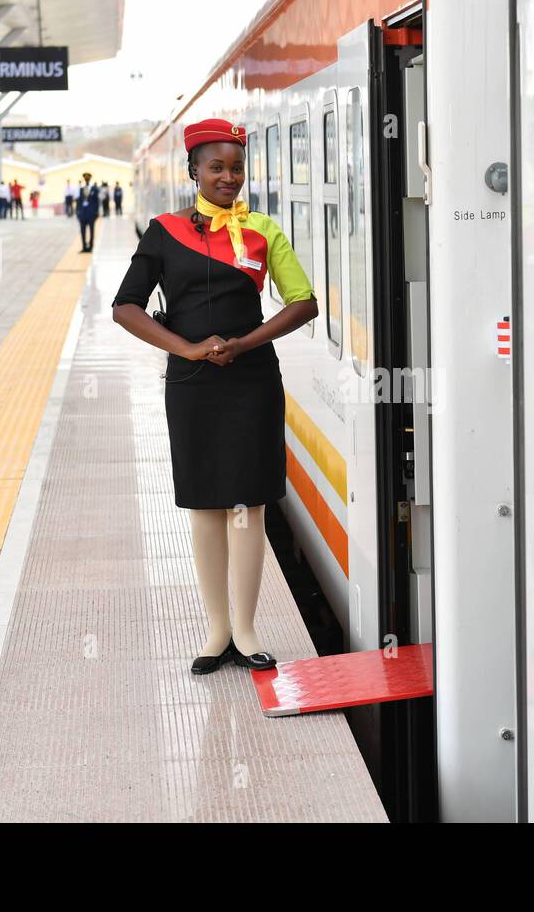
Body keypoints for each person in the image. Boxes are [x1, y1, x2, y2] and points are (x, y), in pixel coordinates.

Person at [111, 117, 318, 675]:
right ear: (194, 171)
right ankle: (216, 631)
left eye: (236, 167)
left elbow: (303, 302)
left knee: (248, 504)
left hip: (251, 382)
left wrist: (243, 343)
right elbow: (125, 306)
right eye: (216, 167)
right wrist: (188, 348)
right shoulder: (163, 231)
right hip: (192, 384)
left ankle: (247, 630)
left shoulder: (263, 232)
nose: (229, 177)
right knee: (204, 502)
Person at [75, 172, 99, 252]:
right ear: (84, 179)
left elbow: (96, 201)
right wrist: (78, 212)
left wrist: (96, 212)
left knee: (92, 230)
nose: (86, 179)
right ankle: (84, 247)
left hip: (91, 213)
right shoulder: (81, 189)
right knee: (82, 231)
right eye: (85, 178)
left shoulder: (94, 189)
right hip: (83, 214)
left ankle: (91, 247)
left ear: (90, 179)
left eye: (88, 178)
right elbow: (79, 201)